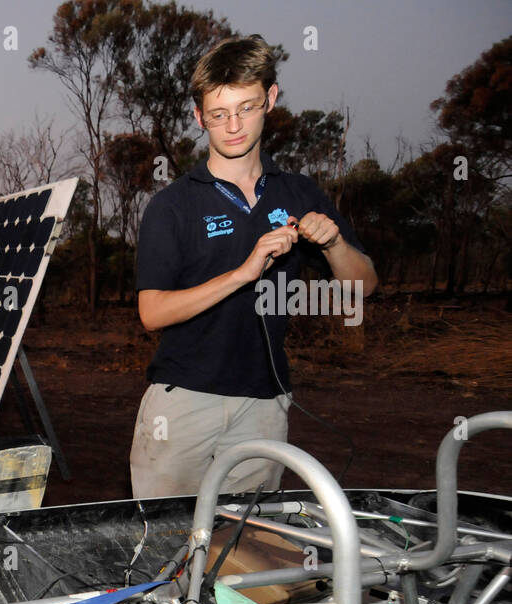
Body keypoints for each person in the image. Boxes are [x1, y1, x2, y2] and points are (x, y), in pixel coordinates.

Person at [130, 34, 377, 498]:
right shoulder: (173, 205)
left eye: (247, 107)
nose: (234, 126)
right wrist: (243, 274)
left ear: (272, 98)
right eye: (219, 114)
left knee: (246, 554)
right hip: (183, 400)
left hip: (266, 403)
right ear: (199, 117)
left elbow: (363, 287)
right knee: (165, 545)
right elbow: (153, 312)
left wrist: (335, 243)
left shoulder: (299, 194)